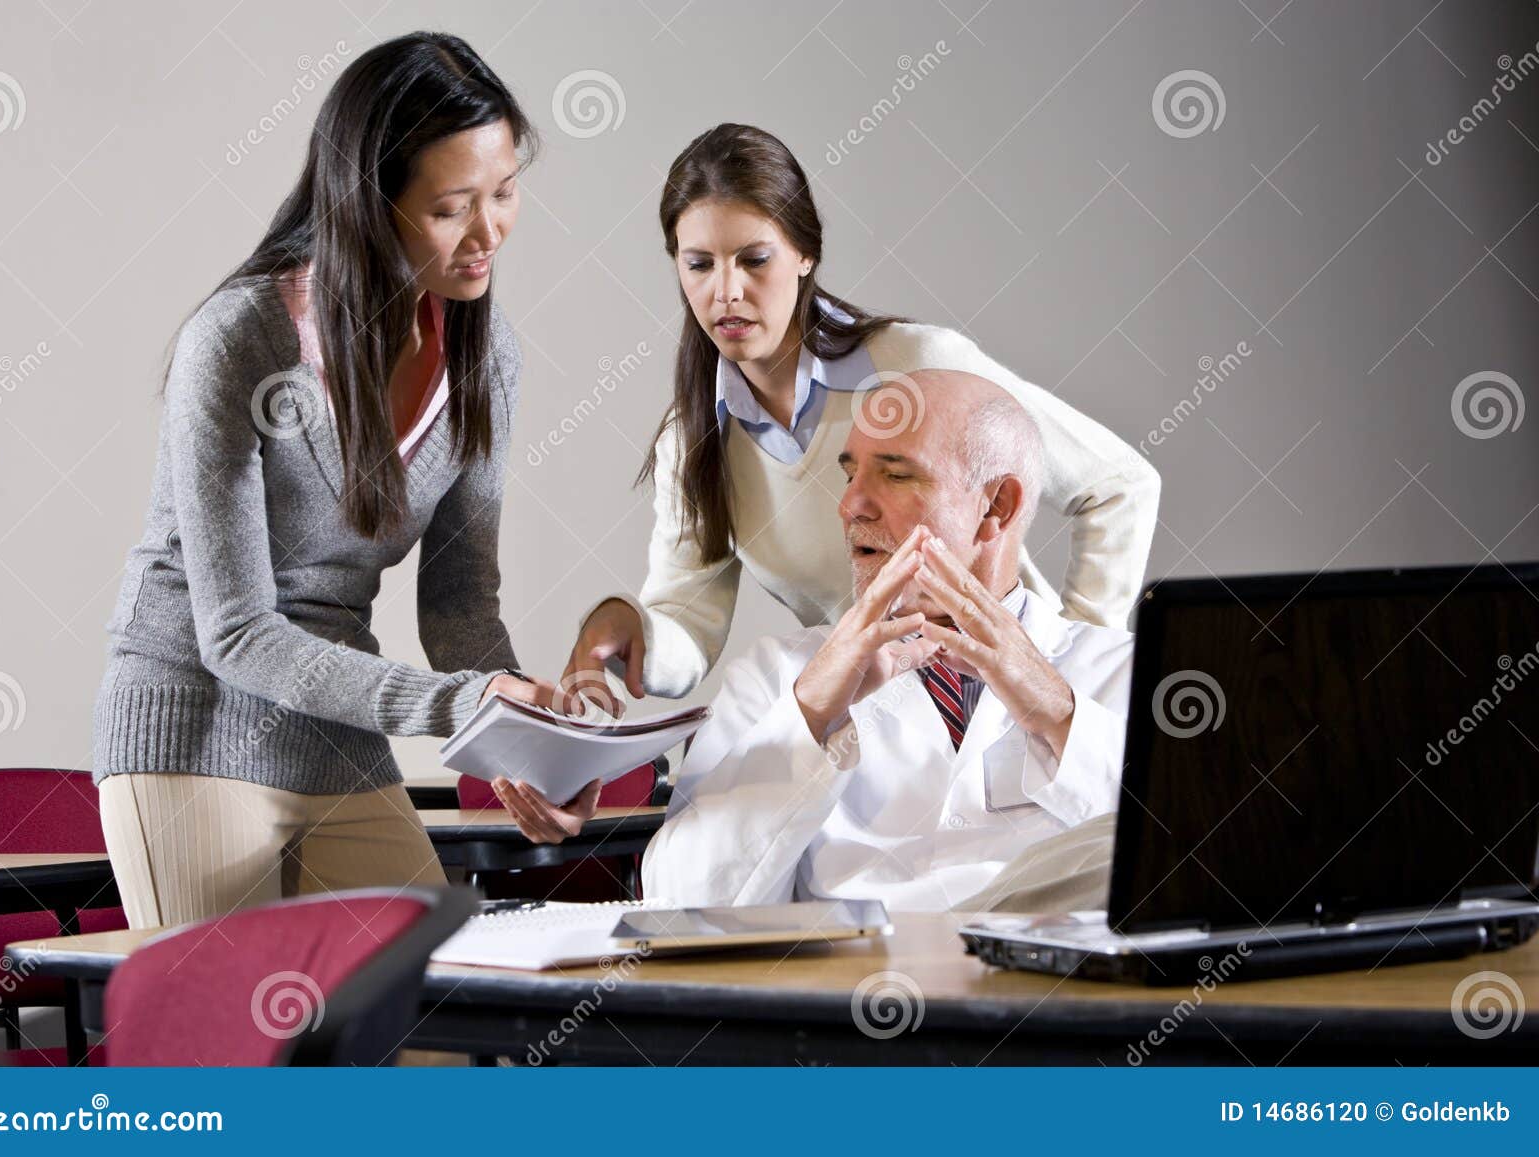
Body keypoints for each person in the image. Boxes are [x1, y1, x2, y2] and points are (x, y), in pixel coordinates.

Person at [92, 32, 574, 929]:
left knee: (433, 1026)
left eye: (505, 193)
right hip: (192, 728)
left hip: (332, 726)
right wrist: (457, 704)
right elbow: (237, 634)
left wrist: (522, 742)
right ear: (369, 204)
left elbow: (461, 600)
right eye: (451, 208)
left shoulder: (486, 356)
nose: (488, 233)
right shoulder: (242, 340)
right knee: (229, 1061)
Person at [562, 123, 1158, 724]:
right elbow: (688, 624)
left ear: (804, 254)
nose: (726, 291)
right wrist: (626, 624)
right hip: (883, 728)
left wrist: (1064, 663)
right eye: (699, 264)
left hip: (1007, 714)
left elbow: (1118, 485)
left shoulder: (920, 367)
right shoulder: (691, 441)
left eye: (754, 259)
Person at [641, 372, 1134, 912]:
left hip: (1046, 990)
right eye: (851, 475)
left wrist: (1057, 713)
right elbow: (676, 906)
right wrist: (810, 715)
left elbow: (1205, 867)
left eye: (896, 476)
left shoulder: (1123, 671)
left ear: (997, 507)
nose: (851, 505)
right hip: (843, 988)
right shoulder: (776, 677)